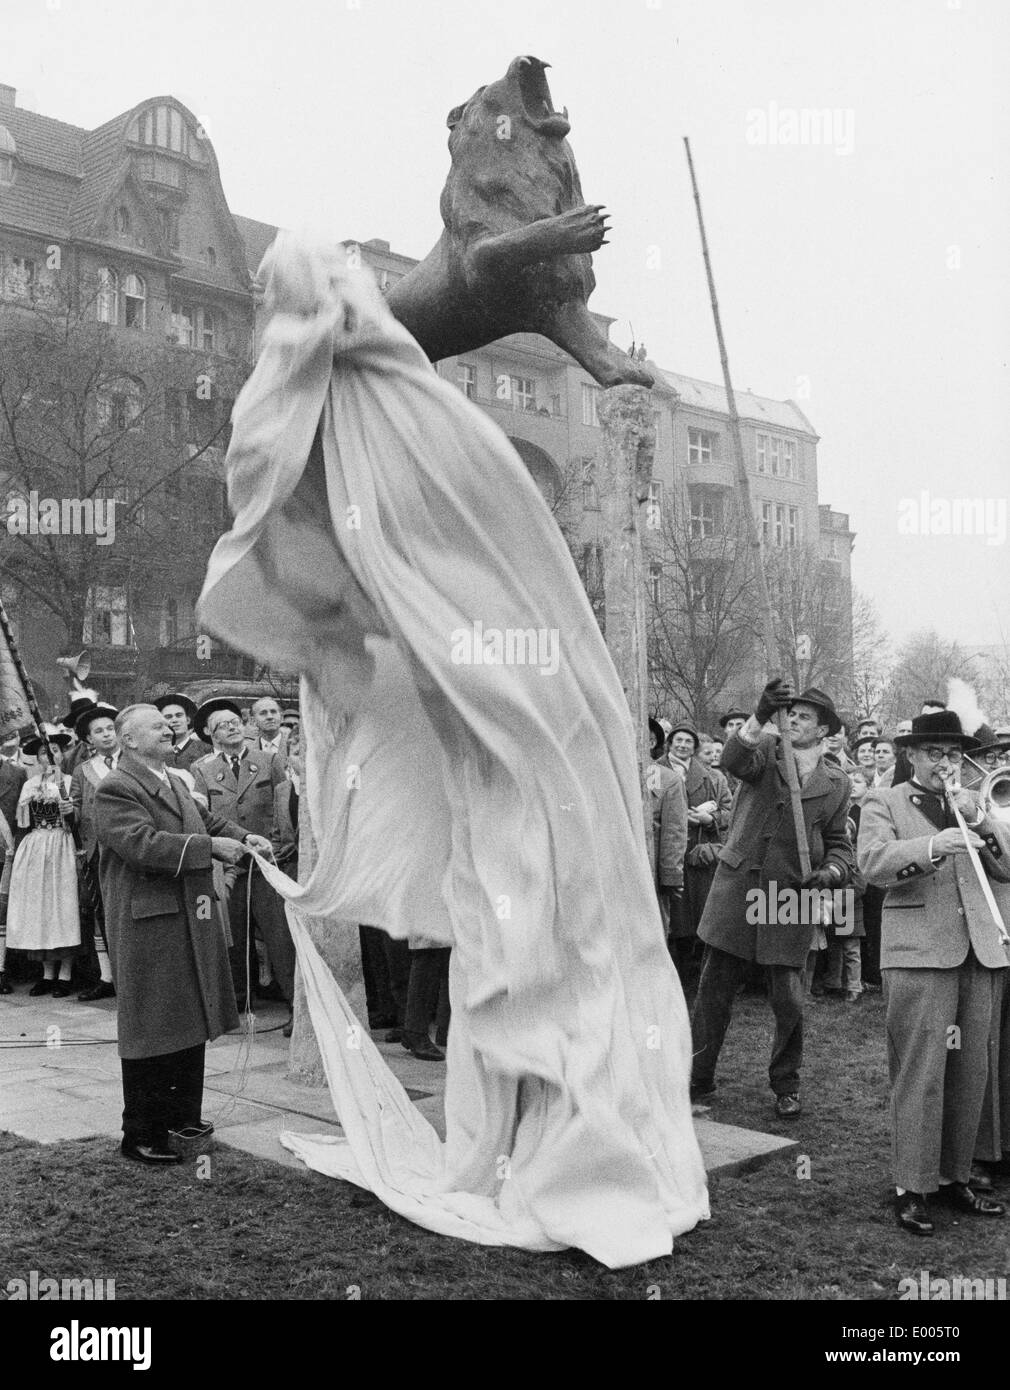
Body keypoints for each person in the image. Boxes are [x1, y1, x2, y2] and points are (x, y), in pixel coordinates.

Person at [95, 704, 271, 1165]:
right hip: (148, 925)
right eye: (157, 724)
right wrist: (212, 848)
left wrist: (242, 836)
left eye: (169, 722)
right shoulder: (117, 787)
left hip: (187, 919)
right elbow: (142, 845)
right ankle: (141, 1134)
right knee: (152, 1027)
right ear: (129, 739)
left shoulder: (172, 778)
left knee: (188, 1022)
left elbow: (203, 821)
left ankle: (182, 1121)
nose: (169, 727)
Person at [857, 709, 1009, 1234]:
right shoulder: (885, 800)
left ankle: (955, 1177)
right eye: (934, 753)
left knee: (972, 1071)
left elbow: (1007, 868)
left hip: (980, 952)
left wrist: (984, 821)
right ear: (912, 756)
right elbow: (872, 864)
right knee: (922, 1071)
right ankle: (912, 1186)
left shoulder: (973, 802)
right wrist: (930, 846)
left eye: (952, 754)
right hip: (919, 953)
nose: (945, 763)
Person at [690, 679, 853, 1118]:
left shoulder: (837, 781)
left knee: (788, 997)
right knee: (715, 988)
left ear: (824, 730)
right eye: (790, 713)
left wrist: (831, 870)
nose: (794, 720)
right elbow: (732, 759)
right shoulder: (764, 751)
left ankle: (786, 1083)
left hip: (792, 890)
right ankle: (697, 1075)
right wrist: (759, 716)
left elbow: (839, 842)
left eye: (804, 717)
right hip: (740, 882)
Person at [191, 698, 295, 1027]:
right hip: (229, 865)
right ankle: (237, 999)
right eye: (224, 724)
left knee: (279, 935)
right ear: (210, 733)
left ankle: (296, 1004)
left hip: (267, 862)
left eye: (236, 720)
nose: (233, 726)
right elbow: (202, 815)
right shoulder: (202, 769)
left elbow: (283, 809)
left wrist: (275, 851)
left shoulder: (269, 760)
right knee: (233, 933)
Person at [6, 726, 82, 997]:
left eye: (54, 751)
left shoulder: (72, 781)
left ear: (62, 754)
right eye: (43, 753)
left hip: (62, 844)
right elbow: (22, 822)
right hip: (37, 846)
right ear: (37, 759)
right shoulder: (30, 785)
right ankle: (47, 973)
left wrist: (70, 811)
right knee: (41, 909)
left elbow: (79, 820)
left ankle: (66, 973)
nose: (49, 757)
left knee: (63, 906)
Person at [69, 702, 120, 1001]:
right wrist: (69, 808)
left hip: (128, 847)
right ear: (88, 739)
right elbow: (74, 811)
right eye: (98, 731)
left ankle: (132, 975)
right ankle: (107, 976)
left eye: (110, 729)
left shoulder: (133, 761)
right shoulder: (83, 770)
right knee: (101, 913)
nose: (106, 735)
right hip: (97, 851)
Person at [647, 717, 688, 975]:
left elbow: (674, 832)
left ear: (651, 741)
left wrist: (671, 877)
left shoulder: (666, 780)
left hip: (650, 875)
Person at [0, 743, 28, 995]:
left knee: (2, 912)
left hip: (5, 852)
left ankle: (1, 970)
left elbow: (22, 818)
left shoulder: (16, 774)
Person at [153, 693, 211, 772]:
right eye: (168, 717)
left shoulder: (207, 748)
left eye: (179, 715)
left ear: (188, 720)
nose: (174, 720)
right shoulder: (159, 755)